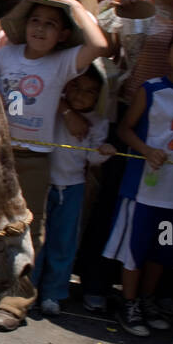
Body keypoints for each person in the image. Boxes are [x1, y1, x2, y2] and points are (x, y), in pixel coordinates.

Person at [0, 0, 108, 329]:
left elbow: (99, 45)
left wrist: (73, 6)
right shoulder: (6, 54)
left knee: (29, 229)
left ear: (64, 35)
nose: (40, 29)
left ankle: (15, 303)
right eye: (35, 21)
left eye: (51, 24)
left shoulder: (62, 62)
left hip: (35, 159)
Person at [104, 20, 173, 337]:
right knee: (134, 249)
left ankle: (147, 298)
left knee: (161, 250)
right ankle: (128, 301)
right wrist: (146, 150)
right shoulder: (152, 89)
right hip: (144, 191)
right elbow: (125, 128)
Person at [31, 67, 116, 315]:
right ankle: (30, 287)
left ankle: (53, 294)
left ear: (98, 97)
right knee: (38, 240)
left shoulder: (98, 123)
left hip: (73, 188)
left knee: (64, 242)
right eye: (76, 87)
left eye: (90, 91)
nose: (81, 95)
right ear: (66, 87)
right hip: (44, 183)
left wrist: (104, 152)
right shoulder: (55, 110)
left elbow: (92, 156)